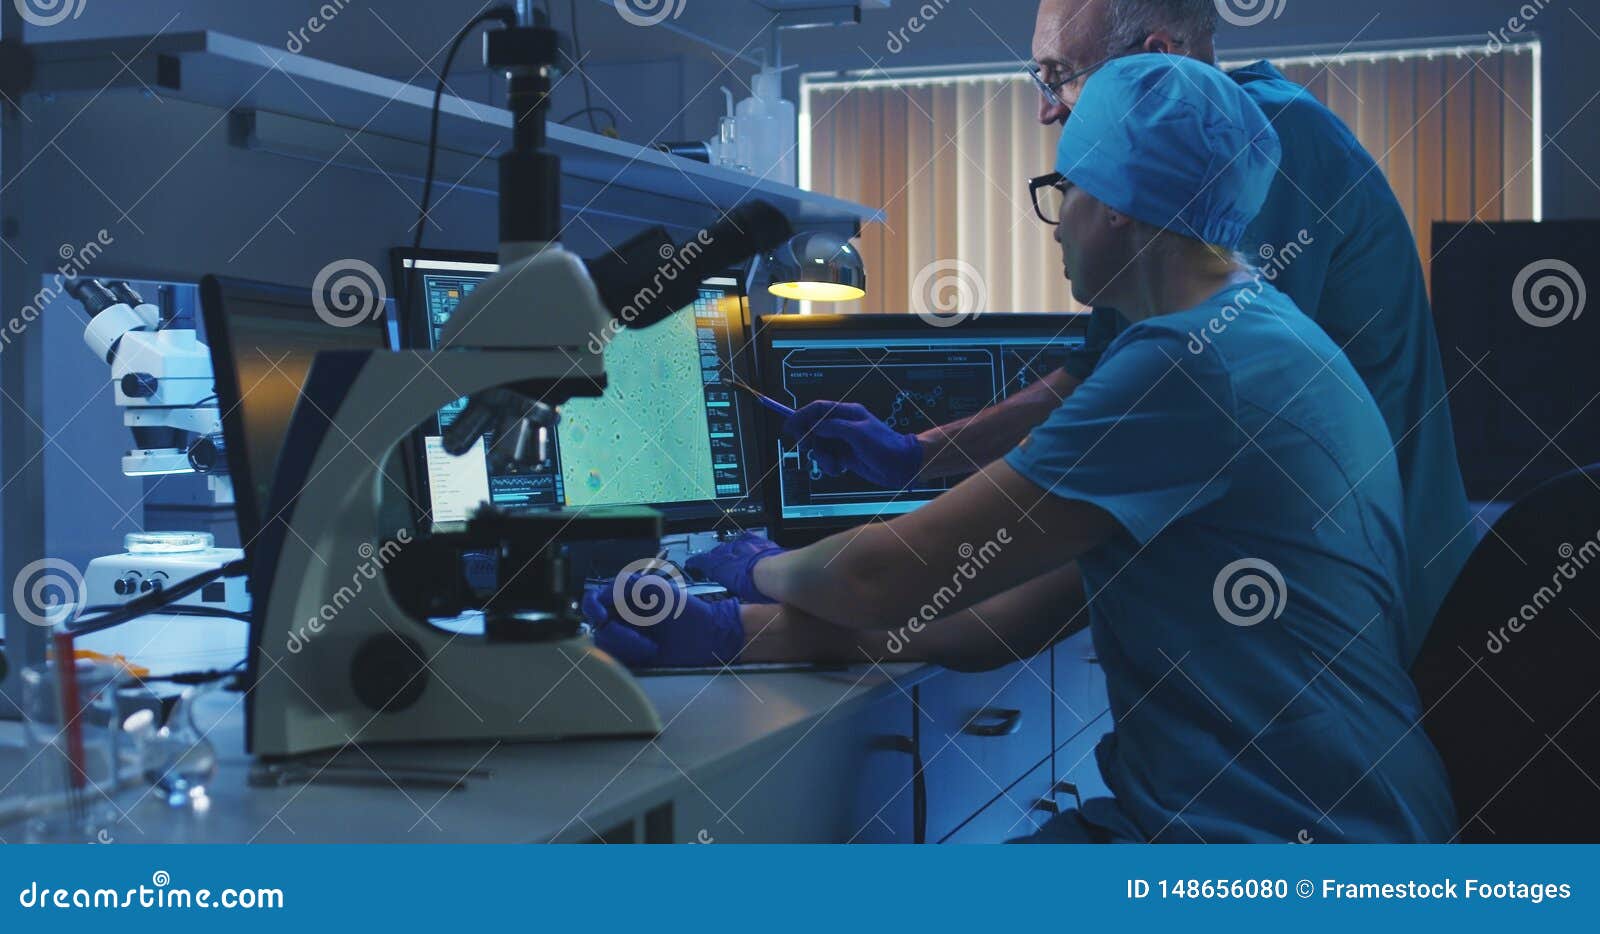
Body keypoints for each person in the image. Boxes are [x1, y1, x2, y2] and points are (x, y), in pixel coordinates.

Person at [588, 54, 1455, 843]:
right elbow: (994, 621)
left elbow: (886, 576)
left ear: (1115, 205)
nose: (1055, 223)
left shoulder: (1186, 367)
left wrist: (756, 567)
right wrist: (729, 632)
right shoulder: (1259, 331)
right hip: (1314, 814)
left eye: (1062, 190)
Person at [793, 0, 1472, 664]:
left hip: (1370, 608)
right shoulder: (1187, 243)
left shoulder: (1251, 154)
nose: (1046, 109)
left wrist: (846, 592)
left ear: (1156, 63)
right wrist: (917, 455)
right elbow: (1096, 376)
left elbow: (1149, 437)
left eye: (1060, 76)